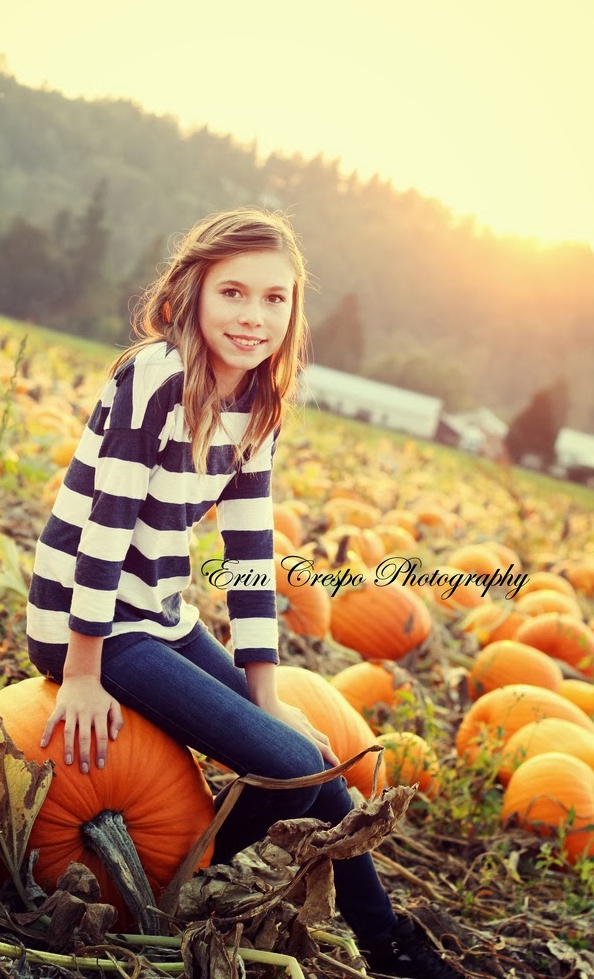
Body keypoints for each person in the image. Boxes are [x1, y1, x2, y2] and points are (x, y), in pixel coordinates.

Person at [26, 208, 463, 979]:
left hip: (158, 613)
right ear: (189, 292)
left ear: (295, 311)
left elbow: (251, 550)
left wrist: (266, 688)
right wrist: (84, 672)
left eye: (275, 299)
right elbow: (103, 528)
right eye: (233, 293)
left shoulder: (259, 402)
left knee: (304, 756)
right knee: (302, 769)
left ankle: (214, 876)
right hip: (85, 621)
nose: (253, 316)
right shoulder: (154, 378)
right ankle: (381, 942)